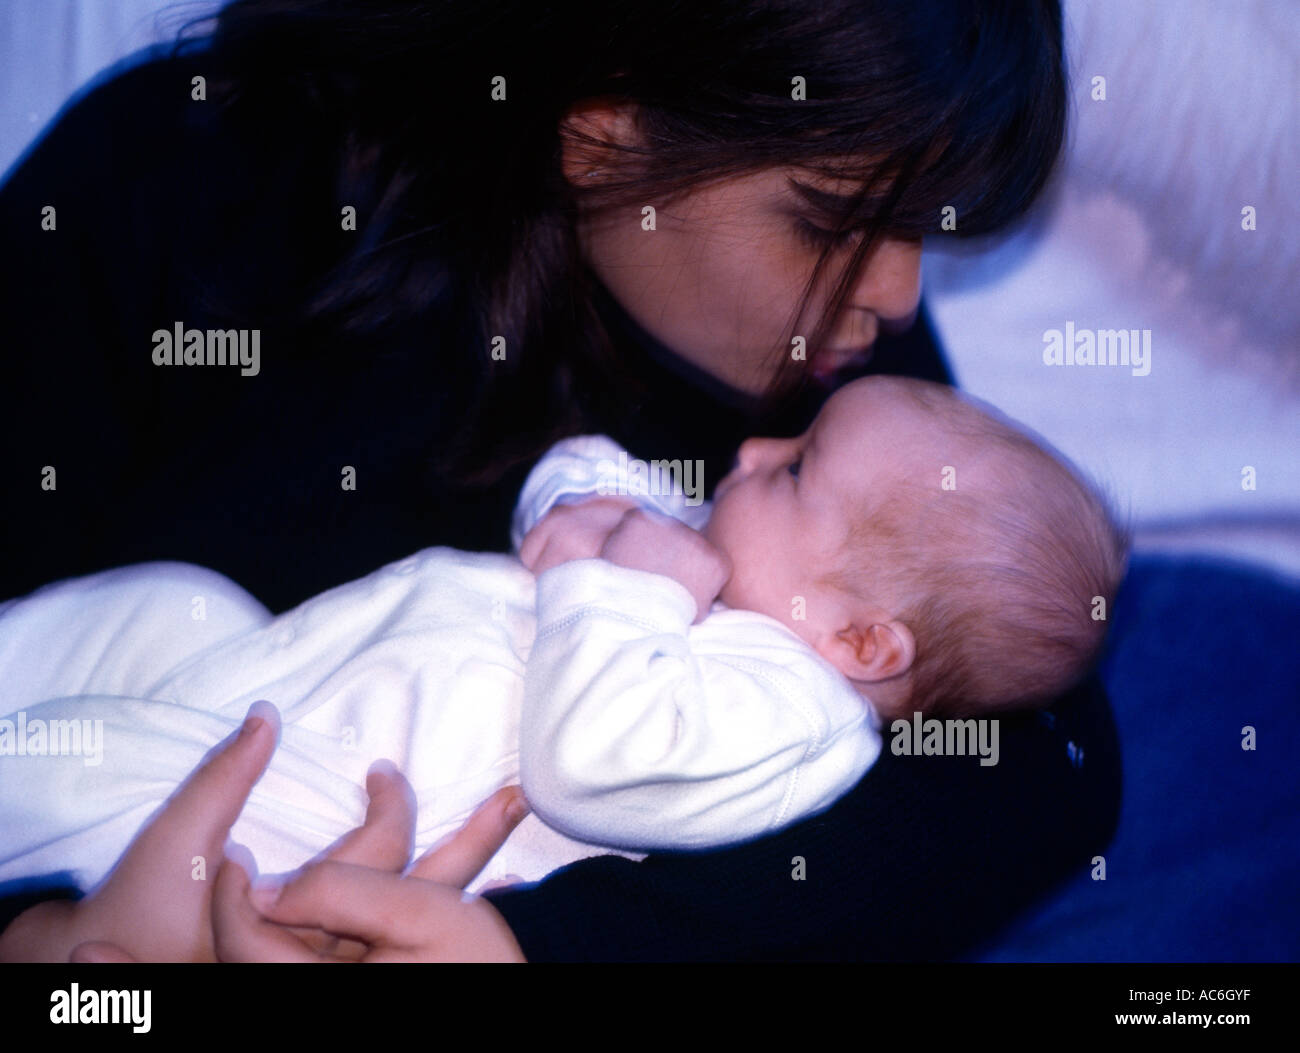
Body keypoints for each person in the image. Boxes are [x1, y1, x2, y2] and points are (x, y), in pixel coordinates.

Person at [0, 0, 1122, 960]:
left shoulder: (803, 369)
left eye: (926, 223)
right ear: (605, 132)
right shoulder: (176, 187)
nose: (901, 294)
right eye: (836, 220)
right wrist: (50, 952)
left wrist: (535, 948)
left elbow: (1038, 751)